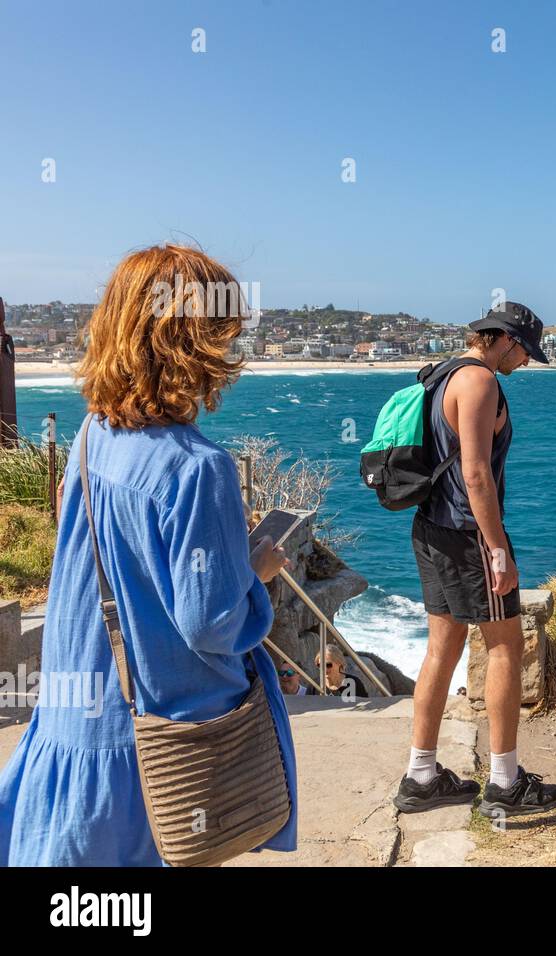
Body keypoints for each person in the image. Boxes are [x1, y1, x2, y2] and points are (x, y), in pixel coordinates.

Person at [0, 245, 297, 865]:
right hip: (154, 742)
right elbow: (211, 622)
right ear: (196, 343)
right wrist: (253, 570)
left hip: (76, 716)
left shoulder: (91, 435)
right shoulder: (198, 469)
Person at [395, 302, 556, 818]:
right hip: (469, 537)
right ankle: (505, 782)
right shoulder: (479, 382)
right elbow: (475, 474)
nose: (528, 362)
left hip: (430, 528)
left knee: (441, 649)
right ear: (504, 340)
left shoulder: (440, 374)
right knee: (505, 648)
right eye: (526, 351)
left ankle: (422, 775)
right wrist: (496, 548)